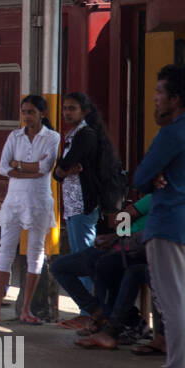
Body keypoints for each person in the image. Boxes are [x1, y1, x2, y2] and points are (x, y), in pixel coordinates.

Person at [131, 64, 185, 368]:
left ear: (175, 99)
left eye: (159, 92)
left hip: (167, 221)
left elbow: (140, 177)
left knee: (170, 300)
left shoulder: (172, 132)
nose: (155, 99)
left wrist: (154, 177)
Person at [0, 95, 60, 325]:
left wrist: (18, 165)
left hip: (38, 201)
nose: (26, 116)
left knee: (35, 252)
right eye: (24, 112)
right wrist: (28, 170)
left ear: (42, 113)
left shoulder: (52, 137)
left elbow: (45, 167)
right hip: (13, 201)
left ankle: (26, 309)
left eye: (31, 112)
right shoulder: (14, 136)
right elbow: (3, 167)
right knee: (5, 251)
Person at [72, 194, 156, 349]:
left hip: (136, 248)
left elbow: (124, 216)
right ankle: (103, 314)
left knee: (106, 265)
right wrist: (119, 235)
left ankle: (114, 322)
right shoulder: (152, 197)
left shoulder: (153, 197)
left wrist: (120, 235)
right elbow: (124, 217)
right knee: (89, 263)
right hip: (128, 244)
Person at [53, 92, 111, 308]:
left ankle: (90, 311)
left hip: (83, 203)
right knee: (78, 255)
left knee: (83, 259)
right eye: (65, 108)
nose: (67, 113)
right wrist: (63, 170)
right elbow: (58, 172)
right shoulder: (73, 134)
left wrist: (64, 169)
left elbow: (64, 165)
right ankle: (88, 310)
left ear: (84, 111)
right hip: (72, 204)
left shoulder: (85, 135)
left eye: (72, 108)